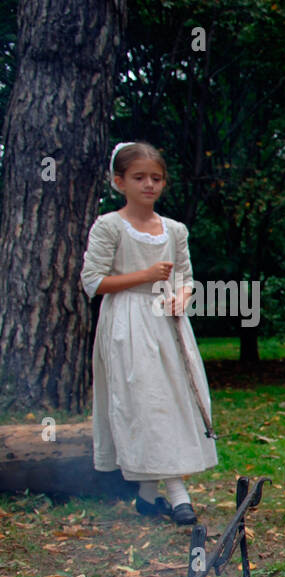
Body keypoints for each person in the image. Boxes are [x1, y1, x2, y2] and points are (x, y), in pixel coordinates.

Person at [81, 141, 216, 525]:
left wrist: (181, 295)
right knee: (144, 400)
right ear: (119, 181)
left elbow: (186, 277)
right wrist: (145, 276)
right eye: (139, 177)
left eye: (156, 178)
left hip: (166, 322)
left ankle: (146, 494)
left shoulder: (174, 230)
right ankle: (177, 493)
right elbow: (92, 281)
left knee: (173, 398)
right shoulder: (110, 226)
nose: (149, 185)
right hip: (127, 320)